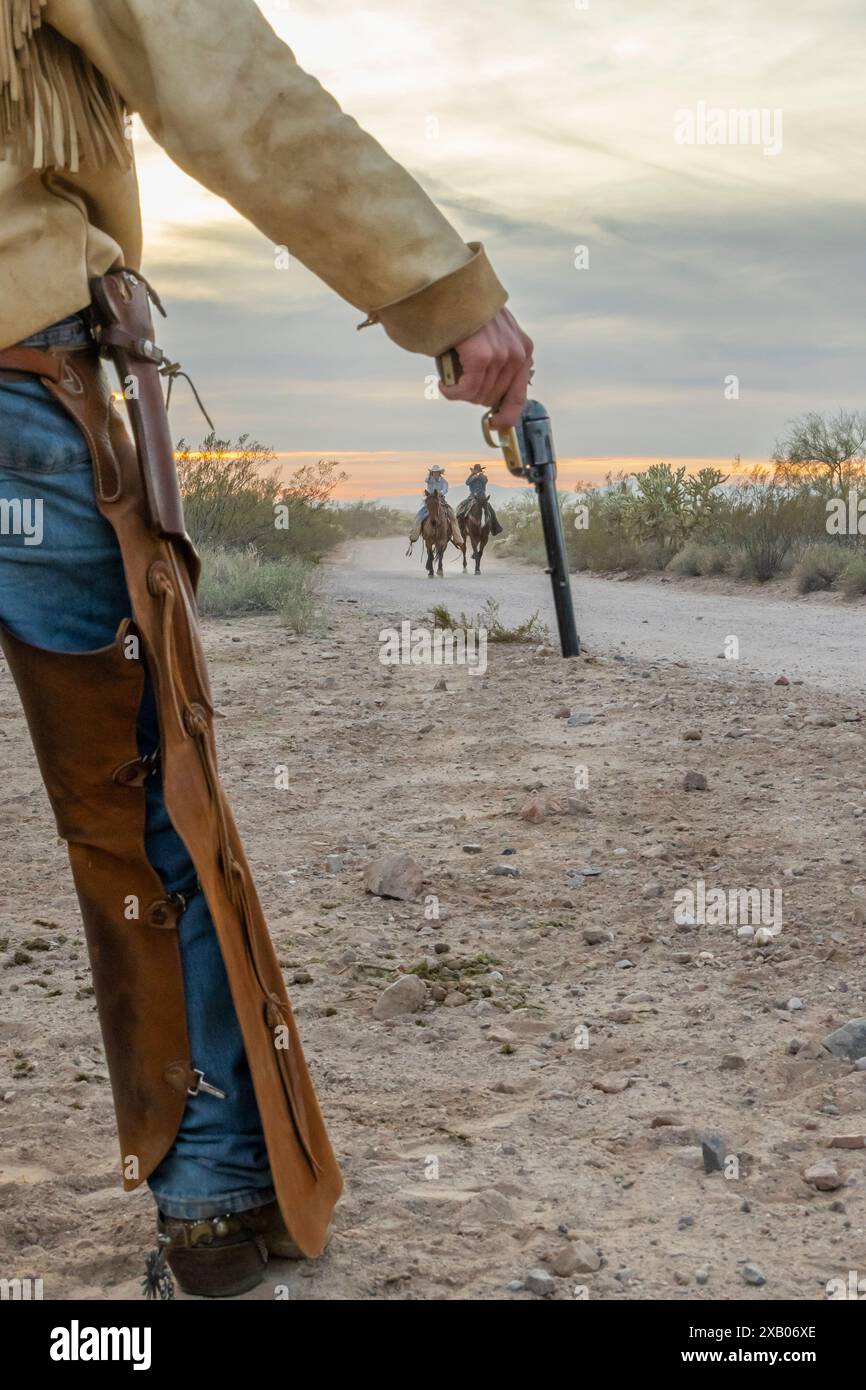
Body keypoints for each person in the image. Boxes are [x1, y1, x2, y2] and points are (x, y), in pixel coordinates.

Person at [0, 0, 533, 1299]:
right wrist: (440, 290)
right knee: (138, 805)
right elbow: (221, 79)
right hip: (23, 374)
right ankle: (218, 1195)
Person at [408, 464, 463, 546]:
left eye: (437, 472)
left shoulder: (444, 481)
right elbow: (426, 480)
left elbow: (445, 489)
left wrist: (441, 492)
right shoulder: (429, 479)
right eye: (434, 472)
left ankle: (458, 538)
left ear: (439, 473)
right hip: (430, 500)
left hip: (440, 499)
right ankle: (414, 536)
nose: (435, 474)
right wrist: (429, 475)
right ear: (432, 473)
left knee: (452, 517)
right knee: (419, 516)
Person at [456, 463, 503, 535]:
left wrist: (478, 475)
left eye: (478, 470)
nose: (477, 471)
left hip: (482, 496)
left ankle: (495, 527)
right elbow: (467, 483)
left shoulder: (483, 477)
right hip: (472, 496)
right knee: (461, 508)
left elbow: (485, 480)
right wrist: (473, 475)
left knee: (490, 509)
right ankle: (461, 527)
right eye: (476, 470)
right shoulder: (472, 477)